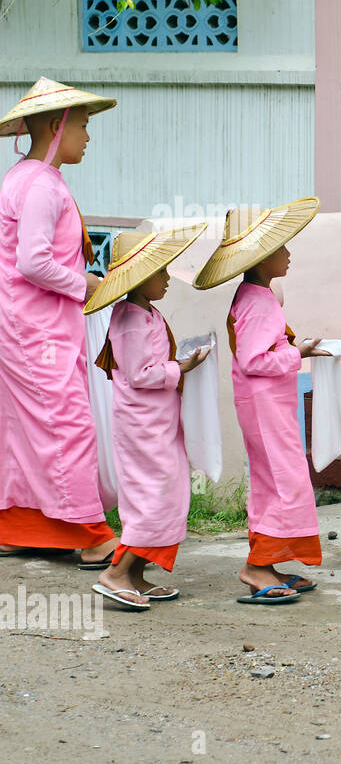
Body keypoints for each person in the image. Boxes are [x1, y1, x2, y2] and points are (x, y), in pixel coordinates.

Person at [0, 78, 121, 567]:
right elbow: (33, 262)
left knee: (25, 428)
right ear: (57, 127)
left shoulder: (25, 178)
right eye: (84, 127)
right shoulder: (40, 185)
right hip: (36, 330)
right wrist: (87, 285)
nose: (88, 137)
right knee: (65, 423)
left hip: (29, 325)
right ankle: (89, 534)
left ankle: (15, 526)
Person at [193, 198, 329, 604]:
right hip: (264, 406)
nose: (289, 253)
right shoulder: (254, 300)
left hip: (270, 404)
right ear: (264, 256)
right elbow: (254, 360)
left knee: (279, 481)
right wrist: (297, 353)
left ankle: (269, 561)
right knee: (279, 481)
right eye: (282, 247)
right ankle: (256, 566)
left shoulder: (258, 294)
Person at [84, 223, 211, 609]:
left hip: (157, 423)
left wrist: (177, 364)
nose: (167, 278)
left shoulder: (145, 313)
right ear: (139, 280)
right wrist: (181, 368)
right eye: (160, 272)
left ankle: (136, 576)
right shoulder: (130, 320)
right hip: (143, 429)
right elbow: (141, 374)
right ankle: (117, 573)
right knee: (153, 499)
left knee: (166, 494)